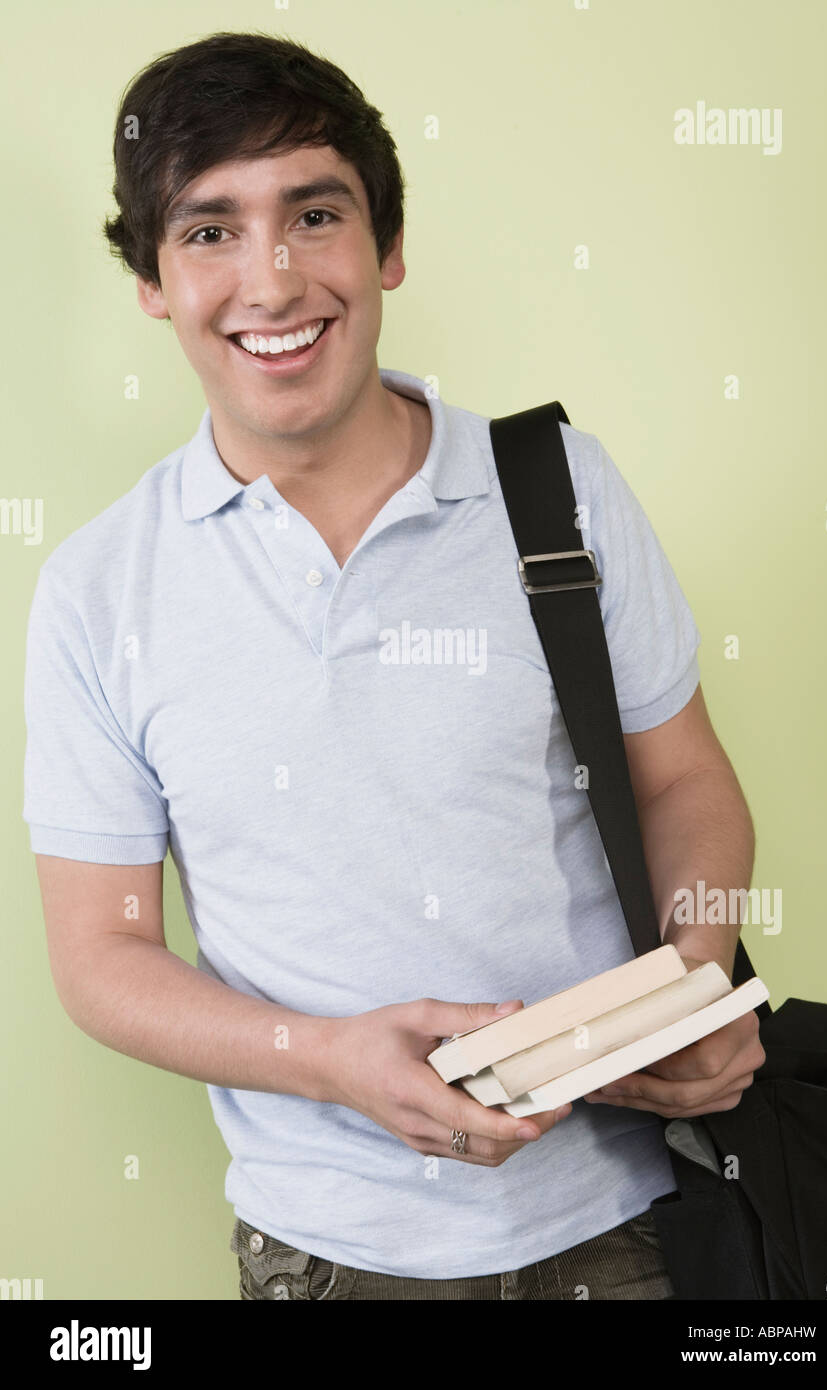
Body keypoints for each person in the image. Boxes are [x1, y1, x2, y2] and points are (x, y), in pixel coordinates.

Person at [22, 31, 764, 1301]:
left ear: (387, 248)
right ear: (152, 278)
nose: (271, 277)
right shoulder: (97, 590)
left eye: (315, 213)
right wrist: (325, 1057)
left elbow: (683, 782)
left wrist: (695, 981)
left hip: (631, 1222)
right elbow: (101, 953)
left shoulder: (556, 490)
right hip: (325, 1256)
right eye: (209, 231)